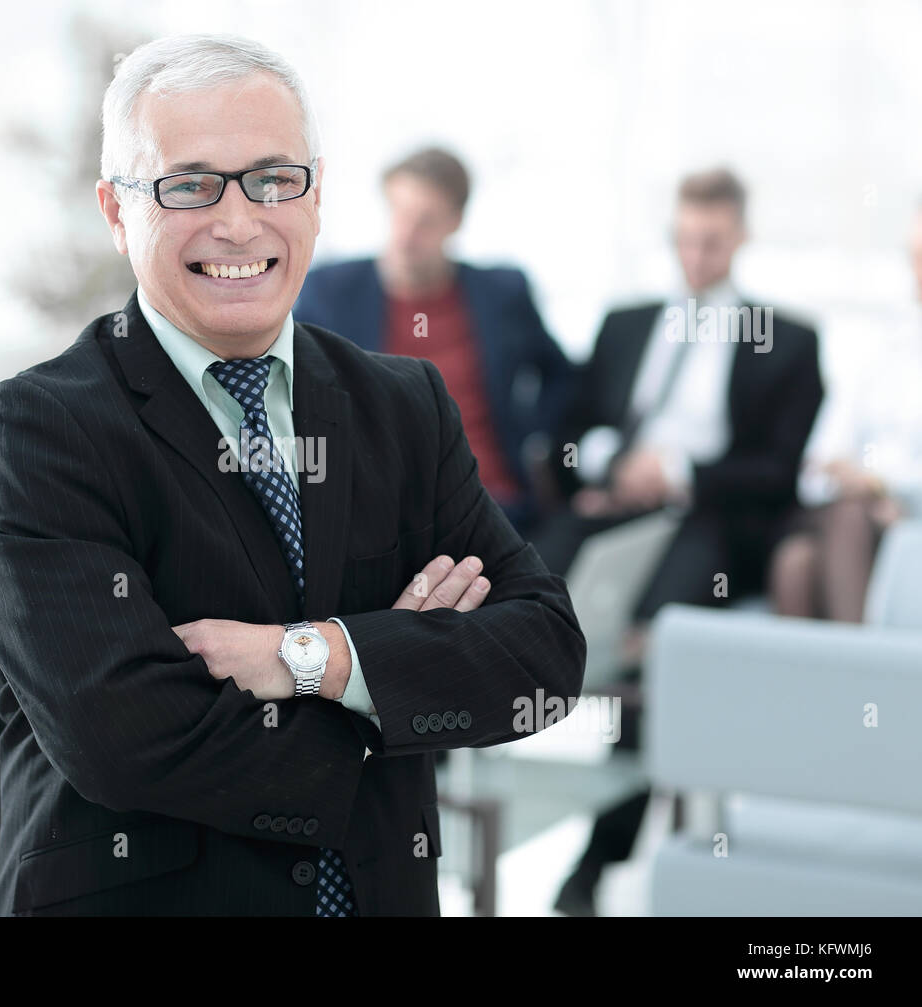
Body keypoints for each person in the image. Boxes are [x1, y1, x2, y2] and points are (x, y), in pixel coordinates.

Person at [0, 33, 586, 918]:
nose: (240, 219)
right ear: (114, 208)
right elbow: (125, 742)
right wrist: (389, 677)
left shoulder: (405, 406)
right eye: (190, 184)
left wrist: (309, 655)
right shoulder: (39, 432)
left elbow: (546, 660)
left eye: (273, 178)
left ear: (316, 196)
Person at [533, 169, 824, 915]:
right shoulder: (627, 322)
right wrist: (610, 465)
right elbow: (571, 431)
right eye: (685, 238)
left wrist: (684, 472)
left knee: (653, 643)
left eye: (713, 240)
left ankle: (598, 859)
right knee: (527, 585)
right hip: (614, 505)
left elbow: (781, 470)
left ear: (740, 238)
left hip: (709, 518)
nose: (696, 255)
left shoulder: (786, 341)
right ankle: (451, 767)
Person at [295, 147, 574, 532]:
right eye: (399, 214)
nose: (406, 236)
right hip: (376, 511)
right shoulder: (331, 291)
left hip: (494, 505)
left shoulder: (502, 291)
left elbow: (563, 376)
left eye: (425, 221)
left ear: (455, 222)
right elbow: (290, 388)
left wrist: (536, 442)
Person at [769, 201, 922, 621]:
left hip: (904, 521)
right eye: (914, 258)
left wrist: (879, 483)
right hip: (855, 517)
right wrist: (864, 489)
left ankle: (858, 678)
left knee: (810, 554)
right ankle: (856, 677)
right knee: (797, 560)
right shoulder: (883, 348)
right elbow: (817, 469)